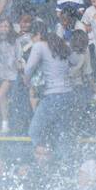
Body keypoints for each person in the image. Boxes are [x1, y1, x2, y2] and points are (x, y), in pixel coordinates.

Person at [24, 19, 75, 159]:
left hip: (53, 95)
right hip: (68, 94)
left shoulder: (39, 46)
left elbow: (29, 68)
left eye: (32, 37)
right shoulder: (60, 44)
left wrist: (26, 81)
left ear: (38, 34)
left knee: (34, 131)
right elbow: (75, 60)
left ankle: (44, 159)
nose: (31, 40)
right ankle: (65, 165)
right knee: (62, 133)